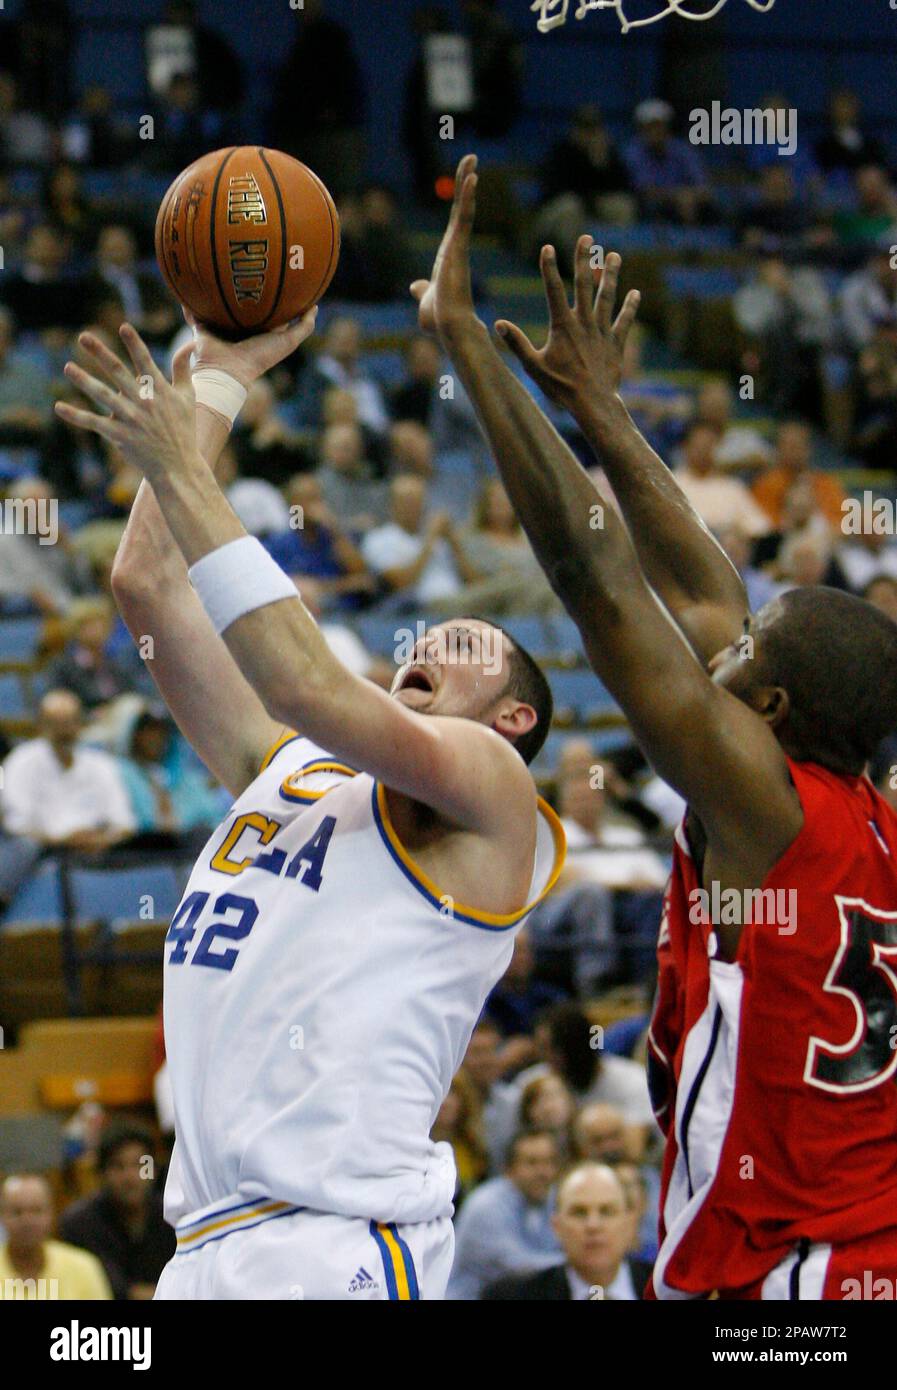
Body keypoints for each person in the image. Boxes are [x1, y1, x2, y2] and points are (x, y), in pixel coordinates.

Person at [419, 156, 897, 1300]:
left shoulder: (767, 808)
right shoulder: (851, 813)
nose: (716, 644)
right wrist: (603, 412)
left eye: (742, 654)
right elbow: (706, 589)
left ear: (768, 711)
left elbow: (598, 579)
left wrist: (468, 349)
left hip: (792, 1272)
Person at [57, 288, 565, 1301]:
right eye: (422, 636)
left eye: (466, 646)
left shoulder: (492, 790)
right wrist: (222, 376)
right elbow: (148, 588)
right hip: (206, 1241)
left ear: (514, 718)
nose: (428, 644)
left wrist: (171, 460)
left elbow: (305, 680)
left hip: (335, 1241)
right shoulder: (289, 764)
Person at [482, 1162, 652, 1300]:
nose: (593, 1225)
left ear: (630, 1223)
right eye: (579, 1212)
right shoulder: (512, 1295)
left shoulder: (666, 1289)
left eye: (607, 1211)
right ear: (557, 1226)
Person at [1, 688, 135, 853]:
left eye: (70, 722)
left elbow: (124, 823)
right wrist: (63, 841)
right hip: (45, 855)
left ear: (81, 724)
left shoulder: (102, 764)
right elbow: (15, 826)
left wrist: (100, 840)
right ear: (40, 725)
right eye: (55, 723)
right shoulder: (20, 762)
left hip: (100, 853)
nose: (64, 731)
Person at [59, 1121, 176, 1300]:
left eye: (140, 1165)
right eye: (118, 1166)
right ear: (101, 1172)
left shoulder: (173, 1216)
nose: (130, 1177)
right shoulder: (79, 1224)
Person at [446, 1128, 562, 1299]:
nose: (543, 1172)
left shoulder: (552, 1198)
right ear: (509, 1169)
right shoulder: (486, 1206)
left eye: (549, 1162)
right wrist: (580, 1261)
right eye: (532, 1163)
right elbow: (521, 1267)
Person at [0, 1174, 112, 1301]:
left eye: (36, 1211)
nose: (27, 1221)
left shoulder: (83, 1267)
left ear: (51, 1213)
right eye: (17, 1212)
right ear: (2, 1216)